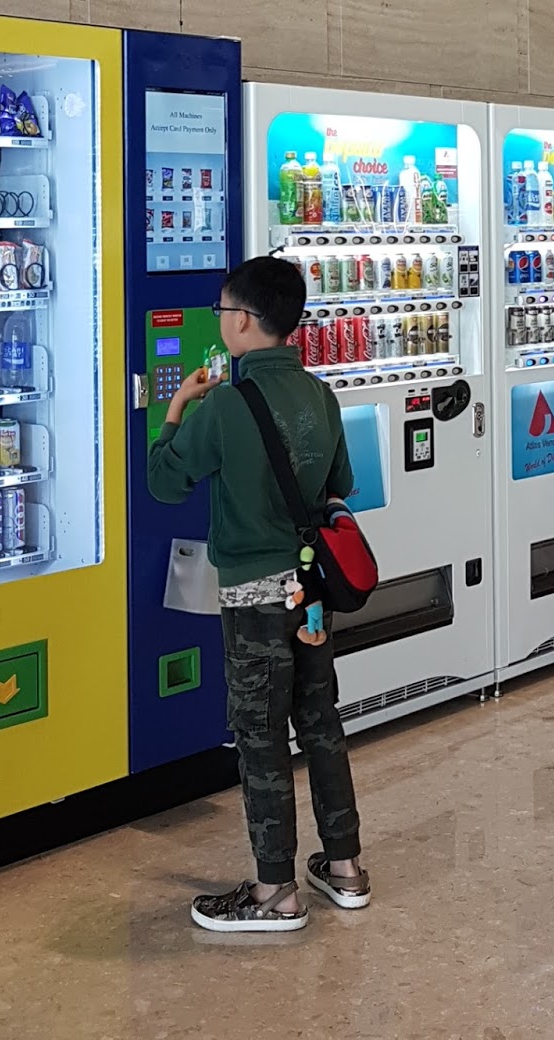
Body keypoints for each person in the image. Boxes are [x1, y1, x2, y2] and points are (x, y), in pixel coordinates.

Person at [148, 256, 370, 932]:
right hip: (311, 594)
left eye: (222, 312)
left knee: (261, 736)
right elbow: (342, 483)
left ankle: (274, 892)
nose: (222, 321)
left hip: (250, 597)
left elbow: (166, 481)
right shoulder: (320, 395)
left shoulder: (224, 406)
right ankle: (345, 869)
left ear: (243, 321)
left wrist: (176, 406)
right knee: (321, 722)